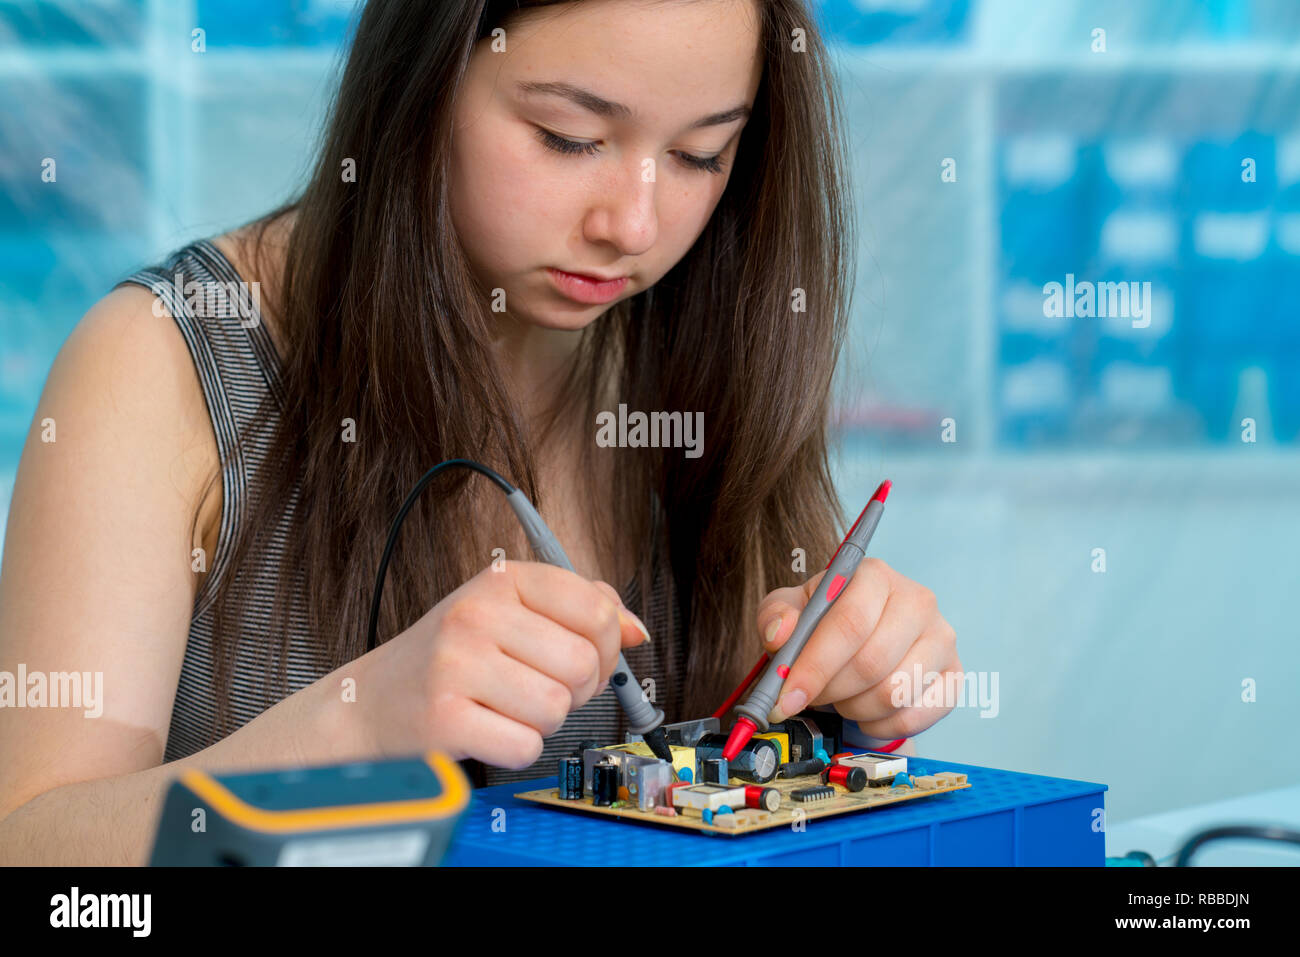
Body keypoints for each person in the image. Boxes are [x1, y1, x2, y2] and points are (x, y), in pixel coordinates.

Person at [0, 0, 960, 865]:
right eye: (568, 136)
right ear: (423, 77)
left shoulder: (705, 354)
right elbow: (30, 850)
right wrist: (356, 723)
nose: (633, 223)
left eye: (700, 155)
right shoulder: (163, 357)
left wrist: (854, 719)